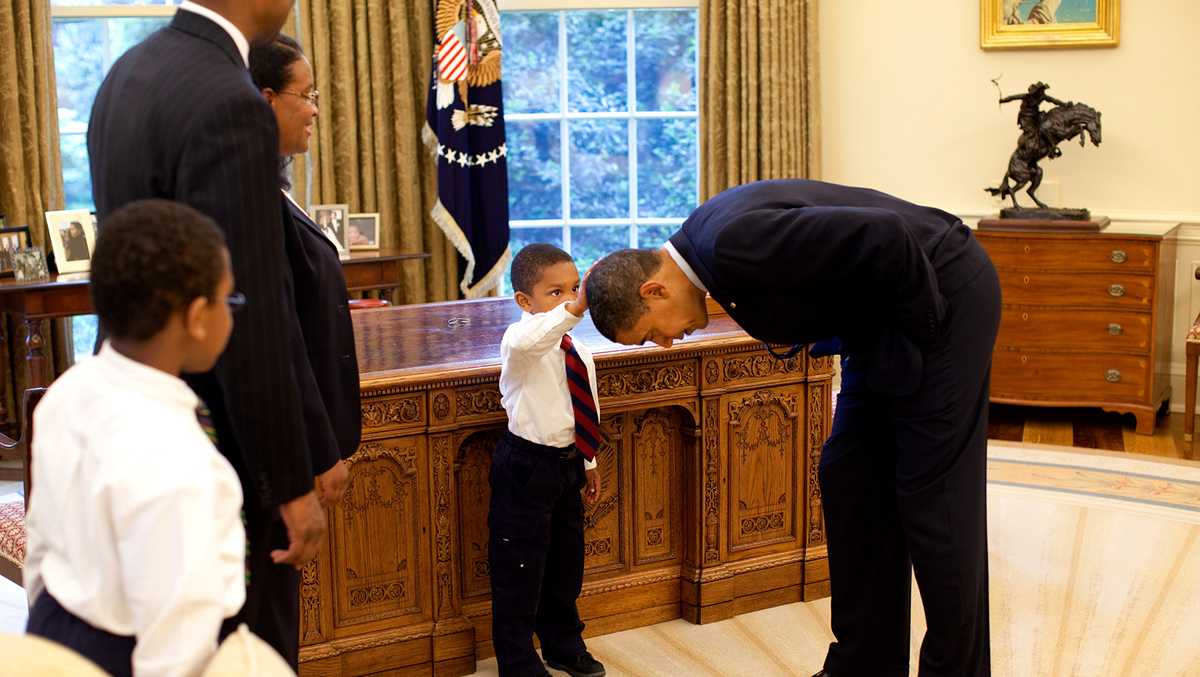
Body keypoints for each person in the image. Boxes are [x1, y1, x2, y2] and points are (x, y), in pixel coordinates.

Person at [585, 179, 1000, 677]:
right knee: (850, 476)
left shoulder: (730, 245)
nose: (667, 343)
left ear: (654, 290)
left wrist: (927, 341)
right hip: (885, 319)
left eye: (653, 333)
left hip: (942, 296)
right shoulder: (709, 247)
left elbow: (886, 233)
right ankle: (864, 664)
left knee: (935, 499)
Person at [86, 0, 338, 666]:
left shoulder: (126, 73)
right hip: (218, 442)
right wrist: (290, 479)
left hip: (132, 414)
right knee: (243, 646)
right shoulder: (229, 100)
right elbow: (250, 309)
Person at [24, 199, 249, 676]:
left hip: (55, 629)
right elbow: (176, 649)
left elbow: (40, 547)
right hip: (128, 658)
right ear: (195, 318)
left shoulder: (67, 393)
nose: (233, 317)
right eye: (229, 301)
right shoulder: (180, 463)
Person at [250, 33, 359, 511]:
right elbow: (281, 335)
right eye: (307, 95)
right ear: (267, 99)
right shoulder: (251, 197)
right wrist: (319, 449)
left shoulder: (273, 183)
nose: (315, 109)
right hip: (290, 450)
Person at [491, 244, 606, 677]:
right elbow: (535, 337)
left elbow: (584, 403)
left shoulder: (577, 349)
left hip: (567, 464)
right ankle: (518, 661)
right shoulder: (519, 342)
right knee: (520, 567)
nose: (567, 298)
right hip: (526, 466)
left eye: (573, 288)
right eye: (554, 292)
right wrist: (574, 308)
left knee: (565, 563)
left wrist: (589, 462)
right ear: (525, 301)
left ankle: (563, 643)